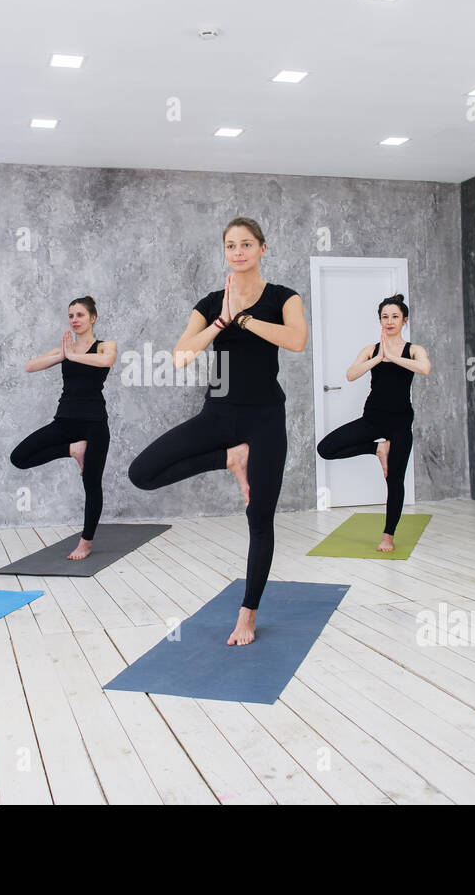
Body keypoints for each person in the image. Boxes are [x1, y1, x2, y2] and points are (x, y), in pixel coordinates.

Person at [129, 217, 308, 645]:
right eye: (231, 246)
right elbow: (180, 357)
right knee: (143, 472)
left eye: (247, 244)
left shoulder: (284, 297)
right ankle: (231, 458)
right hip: (219, 414)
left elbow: (297, 340)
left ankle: (247, 613)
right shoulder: (211, 302)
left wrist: (245, 321)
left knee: (259, 517)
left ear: (263, 249)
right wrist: (221, 322)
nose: (239, 251)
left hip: (265, 418)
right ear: (225, 253)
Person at [316, 294, 430, 551]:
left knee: (394, 481)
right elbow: (350, 374)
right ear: (380, 320)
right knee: (326, 449)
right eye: (385, 317)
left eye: (395, 317)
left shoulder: (413, 349)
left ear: (404, 320)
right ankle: (377, 448)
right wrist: (379, 358)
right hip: (372, 419)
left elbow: (425, 368)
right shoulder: (371, 350)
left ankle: (388, 536)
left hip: (400, 423)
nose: (390, 321)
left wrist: (395, 358)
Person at [10, 296, 116, 560]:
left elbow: (106, 362)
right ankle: (73, 449)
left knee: (92, 484)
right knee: (19, 457)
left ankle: (86, 542)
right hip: (65, 420)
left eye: (80, 315)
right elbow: (30, 365)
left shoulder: (105, 346)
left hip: (94, 423)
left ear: (92, 318)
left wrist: (73, 355)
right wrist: (63, 354)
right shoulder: (65, 348)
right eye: (71, 316)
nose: (74, 320)